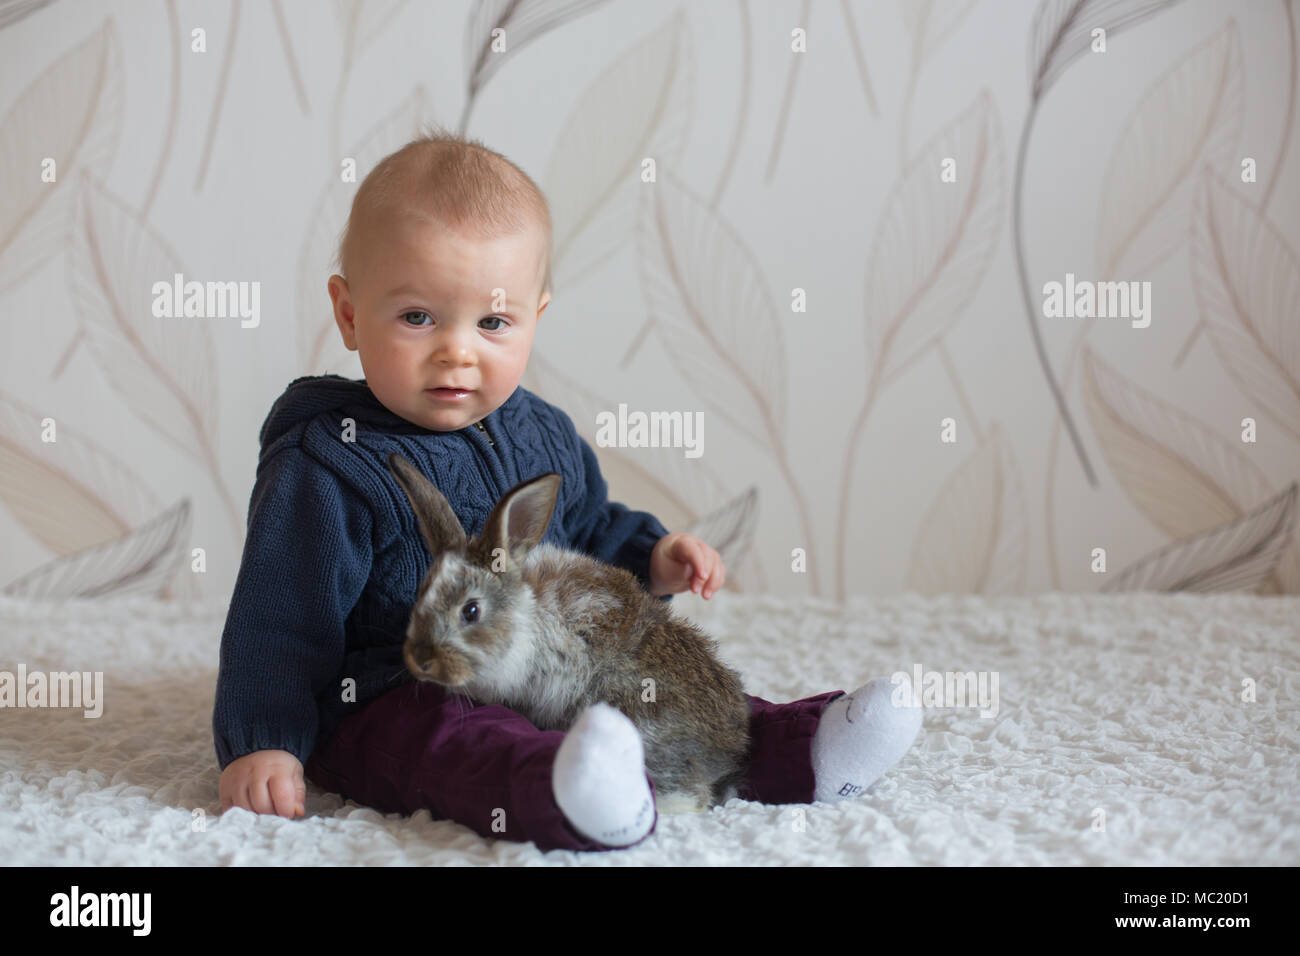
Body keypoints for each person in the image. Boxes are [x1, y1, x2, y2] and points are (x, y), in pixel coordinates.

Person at [214, 127, 922, 851]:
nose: (458, 350)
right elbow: (278, 621)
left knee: (651, 680)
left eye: (493, 322)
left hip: (537, 662)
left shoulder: (538, 432)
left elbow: (588, 526)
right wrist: (262, 740)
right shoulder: (328, 464)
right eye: (418, 316)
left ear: (535, 318)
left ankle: (793, 745)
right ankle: (569, 787)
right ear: (350, 313)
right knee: (464, 741)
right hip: (396, 688)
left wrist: (652, 554)